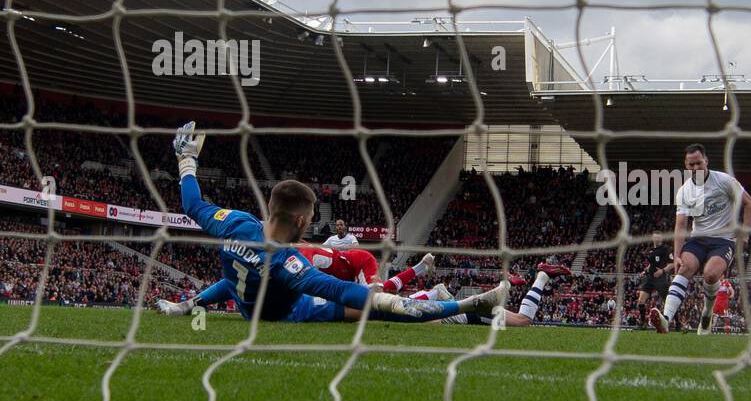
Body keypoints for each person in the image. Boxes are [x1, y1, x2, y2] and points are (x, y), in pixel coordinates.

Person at [156, 122, 505, 324]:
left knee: (240, 270)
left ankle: (188, 304)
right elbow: (344, 292)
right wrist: (371, 296)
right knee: (372, 308)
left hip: (250, 294)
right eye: (309, 220)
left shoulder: (234, 223)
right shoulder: (289, 263)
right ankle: (463, 305)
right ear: (301, 219)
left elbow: (193, 204)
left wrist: (186, 159)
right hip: (295, 313)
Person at [648, 144, 751, 334]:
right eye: (692, 165)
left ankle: (707, 313)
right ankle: (665, 319)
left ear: (706, 161)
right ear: (686, 166)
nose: (696, 168)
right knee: (685, 268)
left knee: (711, 275)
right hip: (698, 239)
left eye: (699, 163)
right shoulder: (684, 191)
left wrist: (745, 234)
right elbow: (681, 225)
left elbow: (749, 204)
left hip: (723, 240)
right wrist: (677, 254)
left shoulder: (724, 181)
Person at [636, 232, 673, 329]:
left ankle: (678, 323)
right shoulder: (651, 250)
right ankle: (642, 323)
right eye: (655, 238)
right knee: (641, 301)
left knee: (668, 302)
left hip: (661, 279)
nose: (657, 239)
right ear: (652, 238)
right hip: (650, 278)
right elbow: (651, 264)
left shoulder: (666, 249)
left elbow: (672, 264)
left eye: (659, 238)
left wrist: (662, 271)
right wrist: (645, 271)